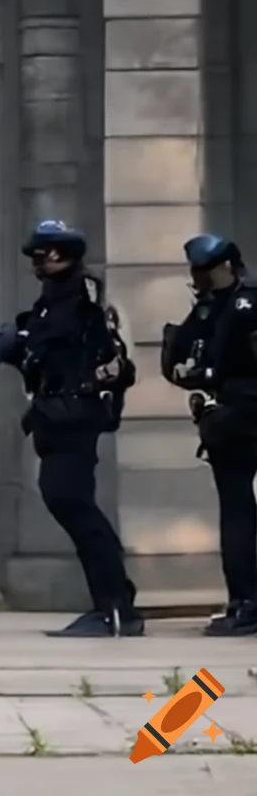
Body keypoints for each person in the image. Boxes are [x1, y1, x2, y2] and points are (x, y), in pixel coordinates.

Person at [0, 220, 142, 637]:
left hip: (76, 415)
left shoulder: (83, 296)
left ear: (62, 255)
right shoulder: (49, 300)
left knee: (70, 500)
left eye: (43, 253)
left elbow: (88, 342)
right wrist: (17, 344)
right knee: (69, 501)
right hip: (52, 415)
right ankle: (116, 602)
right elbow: (41, 352)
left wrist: (23, 336)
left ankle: (115, 608)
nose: (37, 262)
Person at [161, 235, 257, 636]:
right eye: (196, 270)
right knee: (236, 512)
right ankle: (244, 601)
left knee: (238, 514)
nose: (199, 277)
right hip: (228, 419)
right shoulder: (205, 310)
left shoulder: (245, 306)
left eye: (206, 269)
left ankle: (247, 603)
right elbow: (178, 360)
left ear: (229, 267)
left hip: (242, 413)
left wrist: (209, 375)